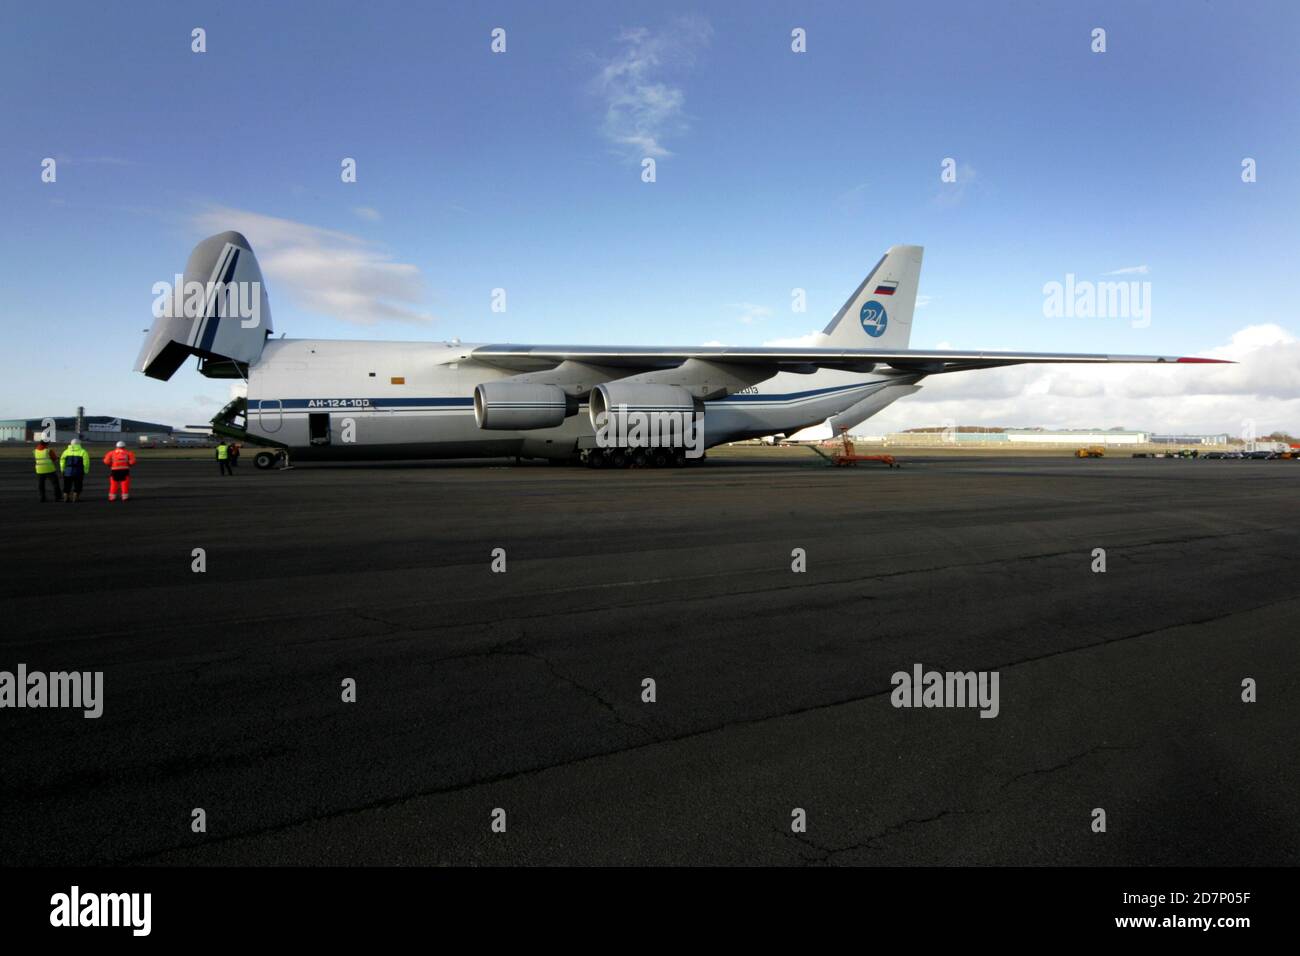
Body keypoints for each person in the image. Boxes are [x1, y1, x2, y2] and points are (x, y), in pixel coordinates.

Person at [60, 438, 90, 503]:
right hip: (78, 472)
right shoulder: (83, 451)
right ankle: (75, 498)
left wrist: (62, 469)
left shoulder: (66, 451)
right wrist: (86, 470)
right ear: (79, 444)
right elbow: (86, 462)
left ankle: (66, 498)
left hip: (67, 471)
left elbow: (62, 461)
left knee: (67, 485)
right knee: (78, 485)